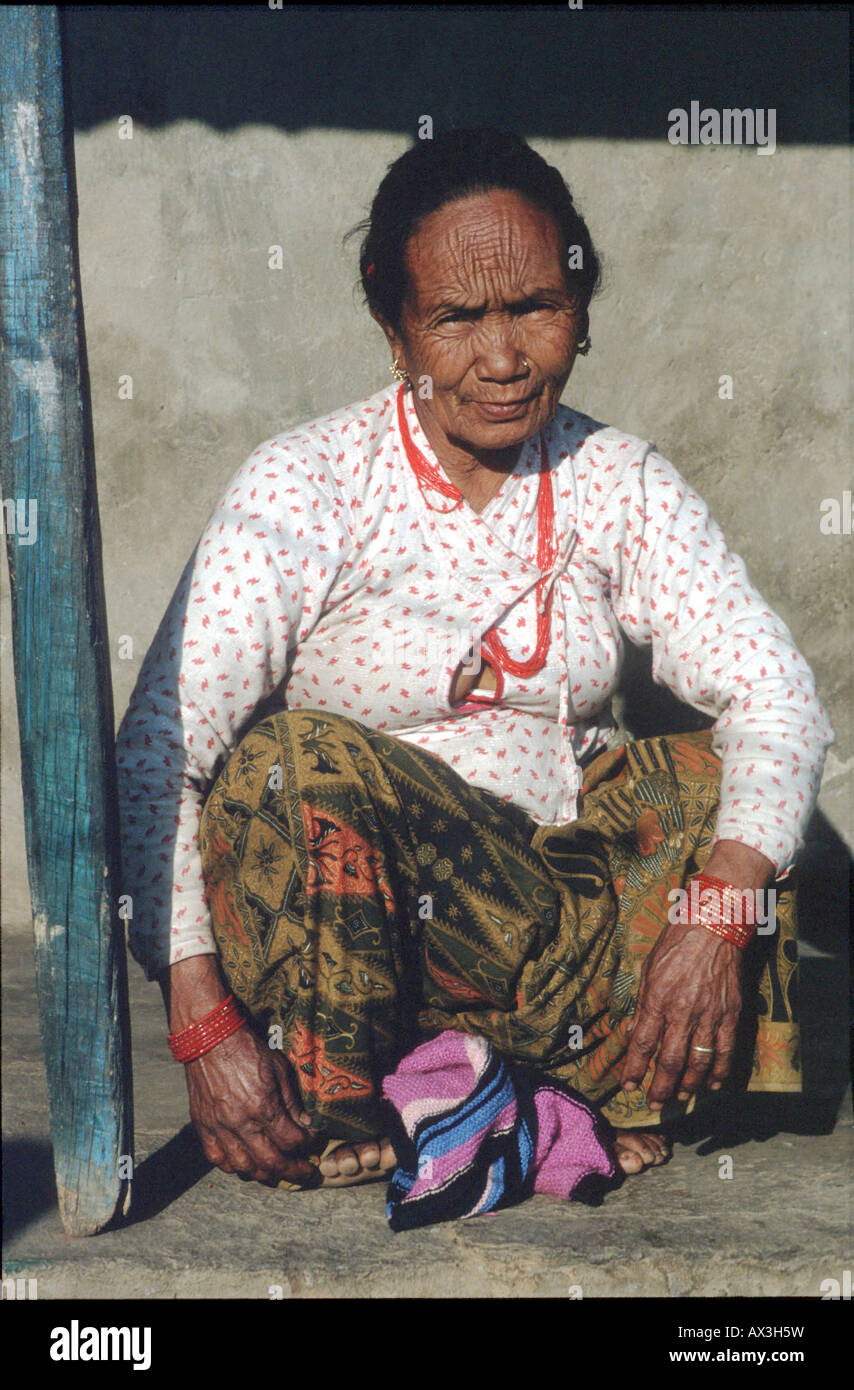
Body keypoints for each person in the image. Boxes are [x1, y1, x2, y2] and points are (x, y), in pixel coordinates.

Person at [116, 128, 833, 1193]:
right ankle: (412, 1083)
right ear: (392, 324)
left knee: (728, 793)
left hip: (545, 915)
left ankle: (493, 1088)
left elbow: (775, 695)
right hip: (356, 942)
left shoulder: (613, 478)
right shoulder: (305, 487)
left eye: (534, 307)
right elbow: (157, 754)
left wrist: (718, 915)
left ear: (578, 313)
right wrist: (203, 1022)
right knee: (293, 764)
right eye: (456, 317)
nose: (501, 358)